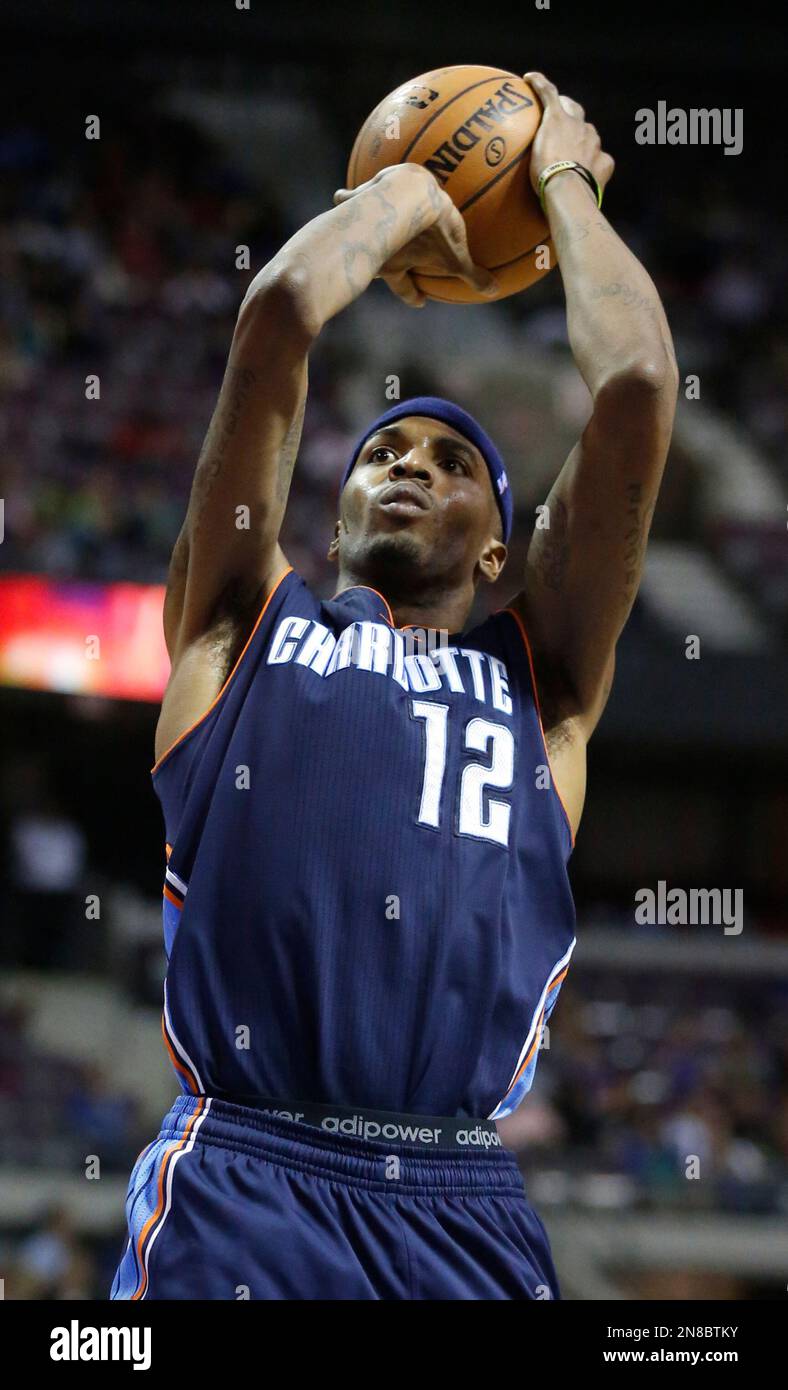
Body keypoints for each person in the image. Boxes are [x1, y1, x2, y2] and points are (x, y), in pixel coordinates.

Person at [111, 72, 677, 1300]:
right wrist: (407, 189)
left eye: (453, 460)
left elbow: (635, 390)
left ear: (497, 549)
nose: (409, 465)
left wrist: (562, 184)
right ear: (331, 520)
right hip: (243, 1180)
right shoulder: (239, 628)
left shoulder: (544, 684)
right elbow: (277, 316)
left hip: (459, 1209)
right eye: (381, 452)